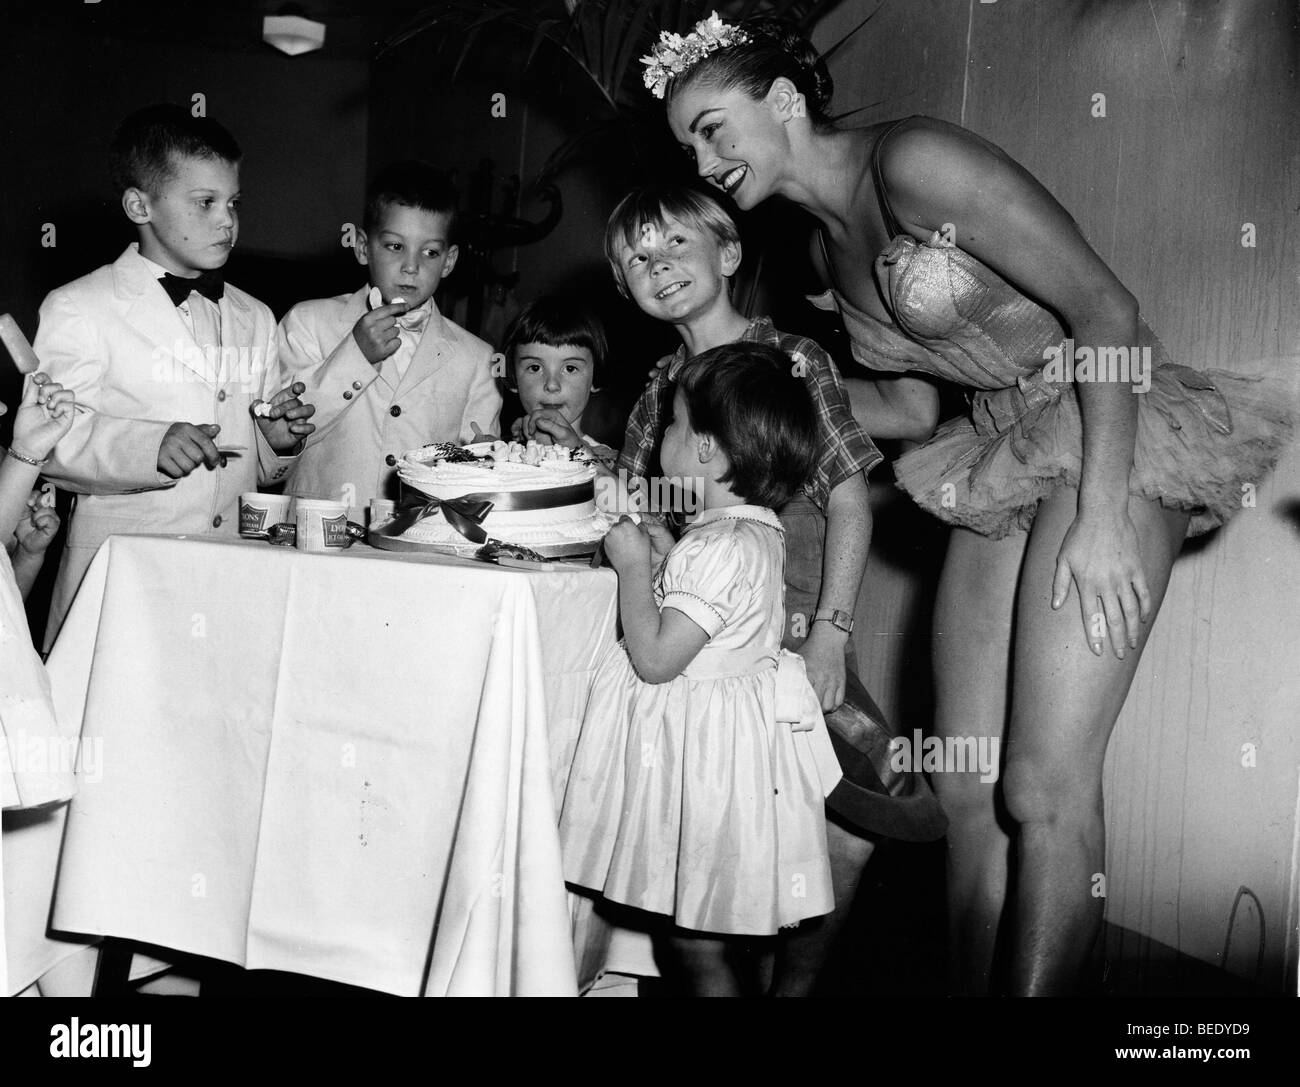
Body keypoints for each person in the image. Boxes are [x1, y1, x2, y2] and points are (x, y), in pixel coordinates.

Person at [649, 13, 1295, 994]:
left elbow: (1106, 311)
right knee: (963, 787)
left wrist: (1103, 514)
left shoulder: (914, 161)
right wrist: (752, 382)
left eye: (712, 128)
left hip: (1109, 423)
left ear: (780, 100)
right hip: (998, 449)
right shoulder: (826, 254)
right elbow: (910, 403)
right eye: (687, 146)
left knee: (1041, 785)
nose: (703, 161)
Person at [603, 183, 945, 994]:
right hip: (712, 655)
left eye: (675, 245)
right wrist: (636, 526)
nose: (659, 267)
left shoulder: (793, 360)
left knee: (855, 826)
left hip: (797, 629)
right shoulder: (659, 390)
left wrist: (831, 629)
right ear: (625, 288)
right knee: (721, 859)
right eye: (637, 260)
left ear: (727, 254)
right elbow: (641, 505)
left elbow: (850, 495)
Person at [559, 342, 841, 996]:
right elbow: (706, 625)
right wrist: (663, 557)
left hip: (699, 760)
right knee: (698, 935)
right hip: (725, 753)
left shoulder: (715, 546)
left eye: (676, 423)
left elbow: (657, 658)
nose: (664, 435)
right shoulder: (756, 530)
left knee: (694, 944)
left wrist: (632, 567)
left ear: (707, 448)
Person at [32, 104, 315, 647]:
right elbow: (46, 445)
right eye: (205, 202)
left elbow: (258, 457)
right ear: (139, 204)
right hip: (121, 580)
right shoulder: (80, 307)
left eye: (233, 203)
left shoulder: (255, 315)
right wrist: (147, 447)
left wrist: (276, 442)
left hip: (230, 574)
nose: (227, 220)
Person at [277, 161, 500, 520]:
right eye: (395, 246)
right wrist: (355, 356)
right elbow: (283, 434)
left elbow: (479, 472)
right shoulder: (307, 323)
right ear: (364, 247)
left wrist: (485, 462)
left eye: (430, 252)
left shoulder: (477, 358)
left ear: (450, 260)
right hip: (316, 539)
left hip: (419, 543)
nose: (411, 266)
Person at [501, 295, 617, 466]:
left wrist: (577, 452)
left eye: (570, 368)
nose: (552, 385)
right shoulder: (501, 454)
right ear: (513, 375)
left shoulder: (612, 465)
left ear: (595, 376)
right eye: (535, 368)